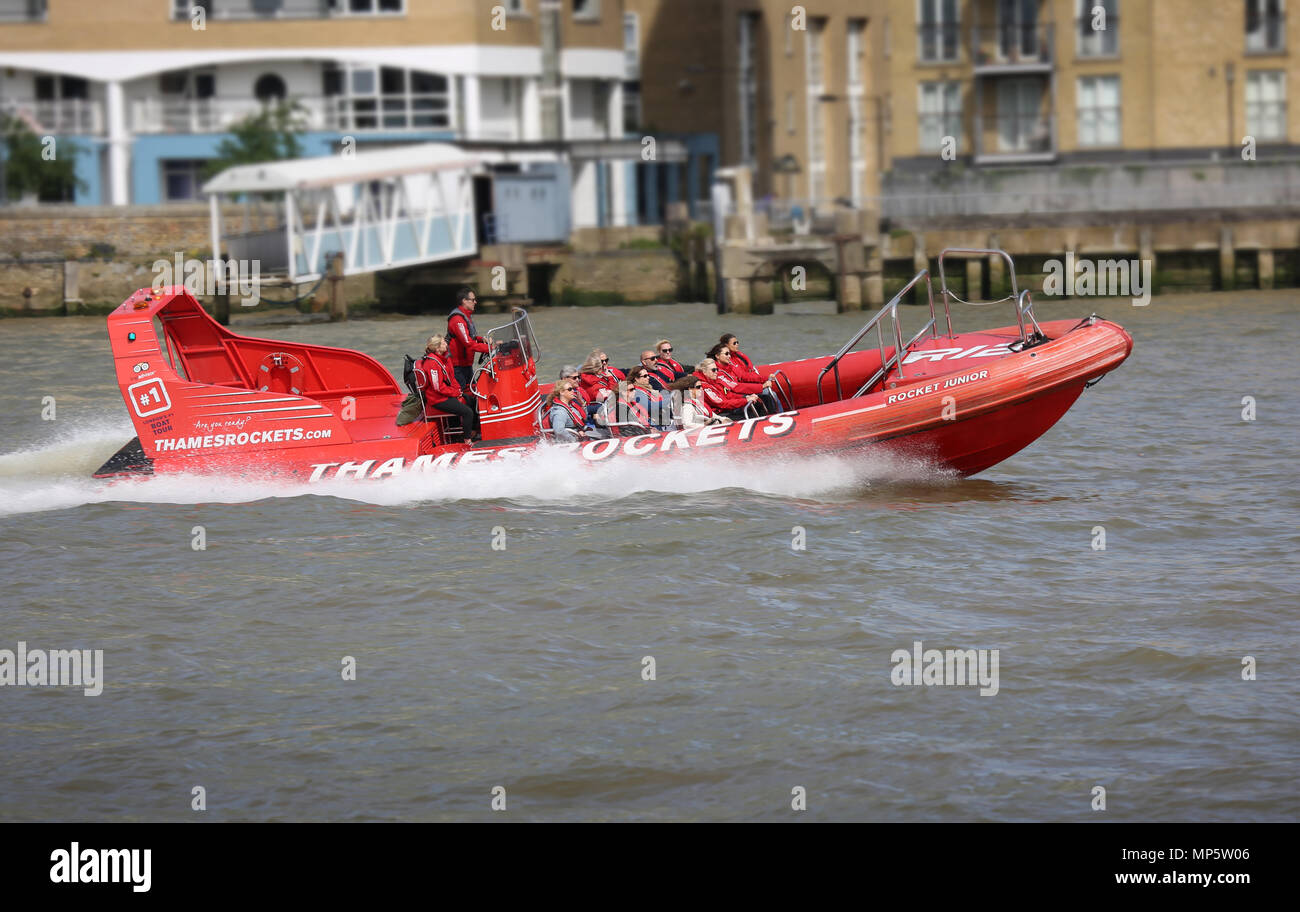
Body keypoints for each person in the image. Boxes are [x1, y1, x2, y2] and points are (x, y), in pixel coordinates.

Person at [415, 334, 479, 440]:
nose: (446, 344)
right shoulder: (432, 364)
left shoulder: (445, 358)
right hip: (437, 399)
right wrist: (455, 393)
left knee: (472, 400)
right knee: (468, 412)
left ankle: (472, 431)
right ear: (437, 348)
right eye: (443, 342)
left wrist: (458, 390)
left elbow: (451, 378)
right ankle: (467, 440)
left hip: (446, 393)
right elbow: (438, 387)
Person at [707, 344, 776, 415]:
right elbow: (735, 387)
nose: (729, 356)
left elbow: (744, 376)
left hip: (737, 396)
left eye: (729, 354)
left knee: (766, 397)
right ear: (717, 356)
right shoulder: (716, 372)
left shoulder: (730, 366)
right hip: (731, 403)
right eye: (726, 354)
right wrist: (761, 387)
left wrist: (765, 378)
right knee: (766, 395)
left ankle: (776, 416)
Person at [447, 286, 489, 390]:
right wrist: (489, 349)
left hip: (466, 364)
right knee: (462, 392)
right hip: (457, 366)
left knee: (473, 389)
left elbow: (470, 336)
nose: (475, 302)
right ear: (464, 301)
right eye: (473, 300)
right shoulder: (457, 319)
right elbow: (468, 343)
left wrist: (481, 339)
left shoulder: (466, 316)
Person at [695, 357, 759, 420]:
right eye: (713, 370)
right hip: (718, 414)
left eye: (717, 369)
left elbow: (728, 395)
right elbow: (722, 404)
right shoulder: (703, 386)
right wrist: (745, 400)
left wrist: (745, 397)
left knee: (759, 402)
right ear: (704, 372)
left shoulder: (714, 381)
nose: (716, 372)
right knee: (752, 413)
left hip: (726, 409)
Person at [626, 365, 672, 430]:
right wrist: (670, 399)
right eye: (645, 376)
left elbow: (662, 398)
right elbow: (649, 407)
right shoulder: (637, 391)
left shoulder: (647, 388)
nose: (648, 377)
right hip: (654, 426)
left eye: (648, 375)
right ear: (636, 378)